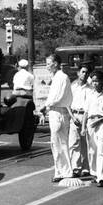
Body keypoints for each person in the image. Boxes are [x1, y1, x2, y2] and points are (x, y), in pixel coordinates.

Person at [39, 52, 73, 183]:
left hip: (59, 112)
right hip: (55, 112)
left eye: (48, 64)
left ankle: (66, 171)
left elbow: (56, 97)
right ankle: (60, 170)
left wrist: (45, 106)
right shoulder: (57, 77)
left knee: (61, 143)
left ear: (56, 64)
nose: (47, 66)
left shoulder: (61, 78)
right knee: (56, 144)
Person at [69, 65, 91, 178]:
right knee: (74, 143)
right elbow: (67, 103)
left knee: (85, 143)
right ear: (78, 73)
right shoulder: (72, 87)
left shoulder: (90, 88)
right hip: (74, 115)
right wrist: (72, 117)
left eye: (87, 72)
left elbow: (90, 105)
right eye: (82, 72)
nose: (84, 74)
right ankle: (75, 168)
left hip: (86, 116)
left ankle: (86, 168)